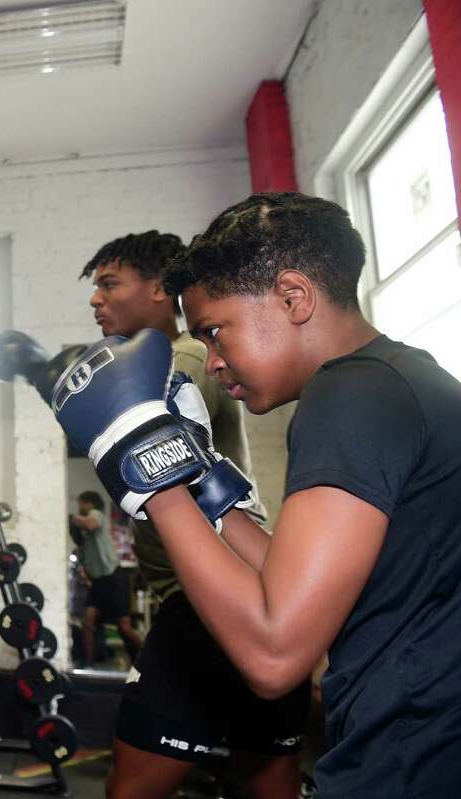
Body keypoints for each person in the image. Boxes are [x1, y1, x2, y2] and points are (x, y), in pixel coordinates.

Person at [80, 230, 308, 799]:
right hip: (250, 580)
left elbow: (164, 431)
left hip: (205, 598)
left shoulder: (178, 359)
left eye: (110, 284)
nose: (95, 300)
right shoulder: (182, 358)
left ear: (160, 289)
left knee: (130, 789)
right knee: (267, 774)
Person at [69, 490, 141, 667]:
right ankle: (89, 663)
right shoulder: (84, 531)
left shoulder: (96, 515)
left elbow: (92, 524)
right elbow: (83, 547)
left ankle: (148, 661)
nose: (79, 507)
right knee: (87, 622)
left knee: (124, 628)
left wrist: (71, 518)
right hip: (99, 582)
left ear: (89, 503)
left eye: (81, 503)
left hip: (114, 578)